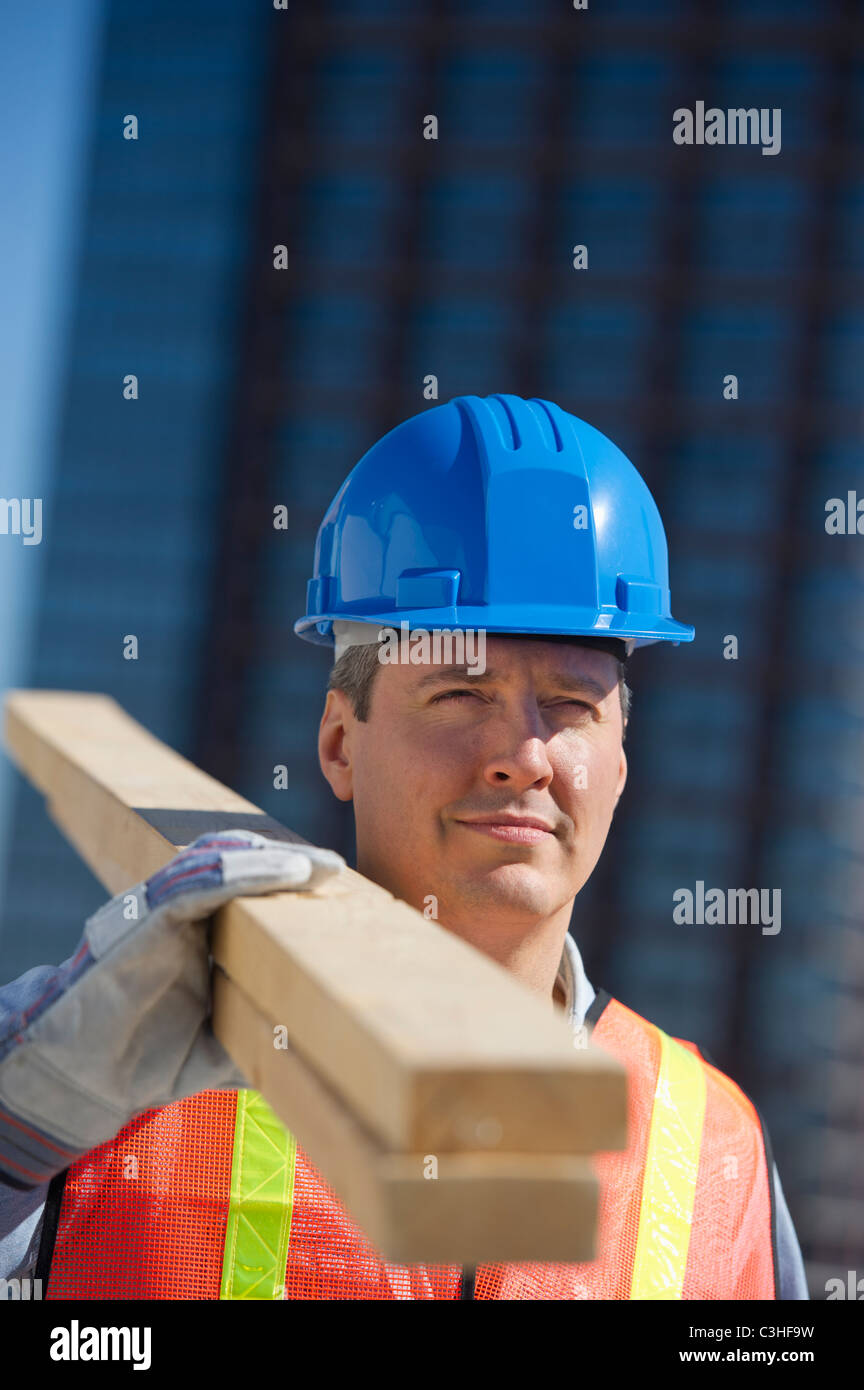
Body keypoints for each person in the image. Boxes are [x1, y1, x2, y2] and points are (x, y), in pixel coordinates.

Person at [0, 393, 808, 1299]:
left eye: (573, 707)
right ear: (341, 742)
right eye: (461, 695)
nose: (524, 757)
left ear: (622, 761)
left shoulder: (717, 1149)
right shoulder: (113, 1041)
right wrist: (23, 1120)